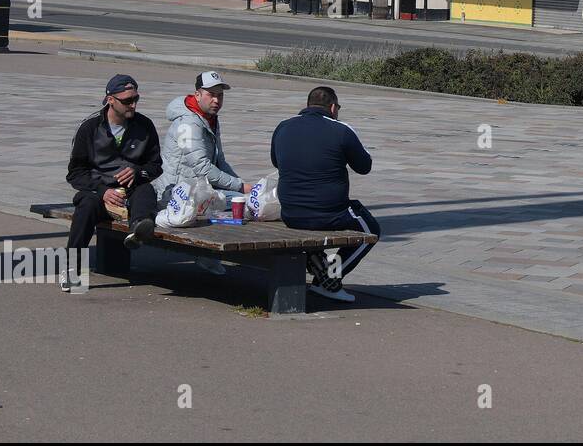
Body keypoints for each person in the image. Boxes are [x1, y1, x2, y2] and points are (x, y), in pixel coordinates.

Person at [270, 86, 379, 303]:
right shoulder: (341, 129)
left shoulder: (283, 127)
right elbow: (364, 166)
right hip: (329, 212)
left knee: (318, 225)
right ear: (332, 107)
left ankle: (323, 273)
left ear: (308, 105)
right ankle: (329, 279)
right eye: (338, 108)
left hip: (291, 212)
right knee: (371, 230)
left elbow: (276, 161)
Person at [64, 74, 163, 292]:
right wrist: (102, 191)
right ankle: (71, 269)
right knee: (86, 206)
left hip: (131, 191)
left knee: (146, 190)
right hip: (98, 191)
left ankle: (138, 230)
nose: (133, 105)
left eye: (136, 98)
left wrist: (138, 172)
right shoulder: (89, 128)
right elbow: (75, 173)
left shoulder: (144, 125)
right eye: (127, 101)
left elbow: (156, 165)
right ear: (110, 100)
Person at [153, 70, 250, 276]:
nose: (216, 100)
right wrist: (240, 187)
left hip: (200, 188)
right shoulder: (188, 123)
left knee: (246, 200)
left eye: (220, 95)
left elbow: (219, 161)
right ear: (197, 95)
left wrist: (242, 184)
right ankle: (207, 254)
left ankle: (211, 254)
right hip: (178, 194)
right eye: (211, 94)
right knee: (243, 204)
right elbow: (202, 168)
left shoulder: (210, 118)